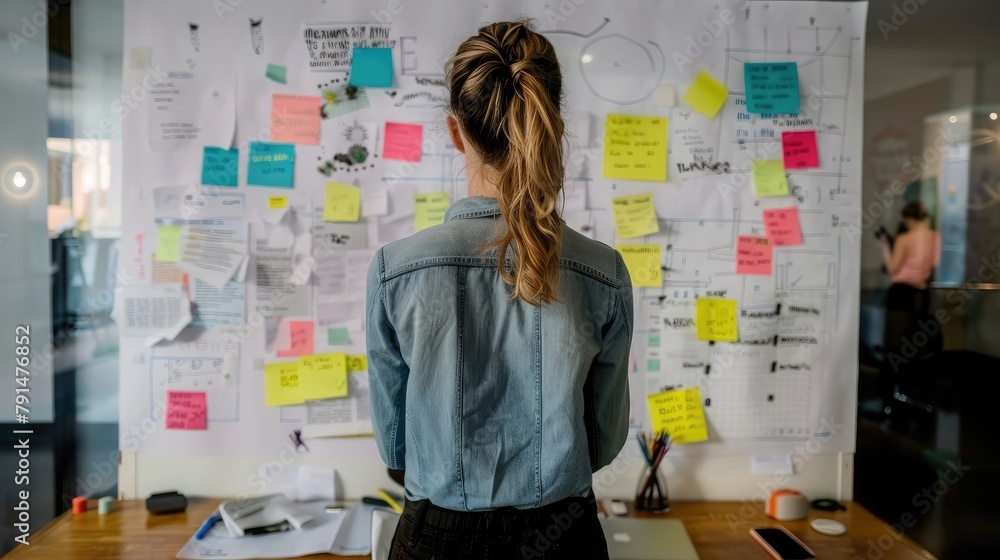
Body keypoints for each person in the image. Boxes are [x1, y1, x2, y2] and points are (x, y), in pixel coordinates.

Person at [365, 20, 633, 560]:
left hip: (436, 537)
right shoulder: (603, 271)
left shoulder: (396, 269)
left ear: (455, 132)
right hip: (564, 536)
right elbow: (603, 442)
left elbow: (395, 447)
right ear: (550, 123)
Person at [878, 201, 940, 405]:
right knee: (913, 345)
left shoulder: (905, 238)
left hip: (901, 293)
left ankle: (889, 396)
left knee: (894, 346)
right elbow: (934, 265)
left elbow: (893, 268)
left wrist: (885, 245)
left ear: (908, 218)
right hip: (921, 294)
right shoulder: (934, 237)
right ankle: (909, 392)